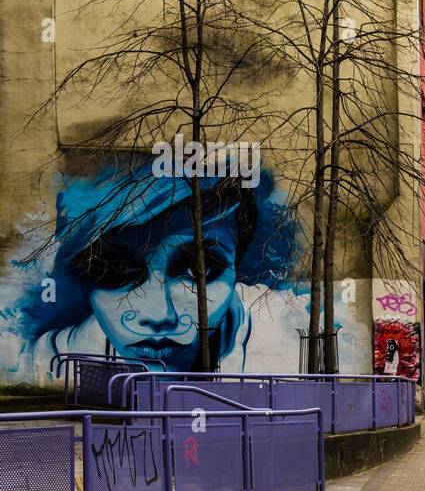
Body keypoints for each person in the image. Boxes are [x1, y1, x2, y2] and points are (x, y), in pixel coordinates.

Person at [20, 160, 297, 375]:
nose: (158, 316)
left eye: (199, 271)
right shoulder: (49, 357)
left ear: (237, 269)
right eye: (118, 271)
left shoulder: (288, 336)